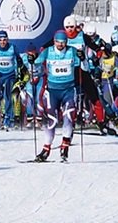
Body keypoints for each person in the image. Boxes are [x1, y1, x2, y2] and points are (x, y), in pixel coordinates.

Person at [32, 29, 82, 162]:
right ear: (54, 41)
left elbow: (85, 66)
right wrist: (31, 58)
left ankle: (65, 146)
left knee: (69, 117)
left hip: (68, 90)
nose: (60, 44)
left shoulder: (72, 51)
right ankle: (46, 149)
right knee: (51, 120)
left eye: (63, 42)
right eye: (58, 42)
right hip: (53, 91)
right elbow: (35, 61)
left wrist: (83, 58)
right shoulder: (48, 51)